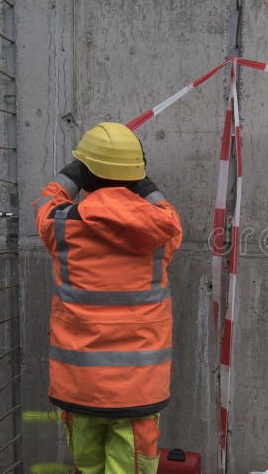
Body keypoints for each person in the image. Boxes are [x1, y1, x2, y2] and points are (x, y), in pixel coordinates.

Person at [33, 122, 183, 473]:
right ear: (135, 176)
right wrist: (143, 184)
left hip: (79, 388)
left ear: (86, 175)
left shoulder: (61, 226)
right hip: (138, 391)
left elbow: (46, 200)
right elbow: (168, 214)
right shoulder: (163, 231)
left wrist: (74, 173)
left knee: (87, 468)